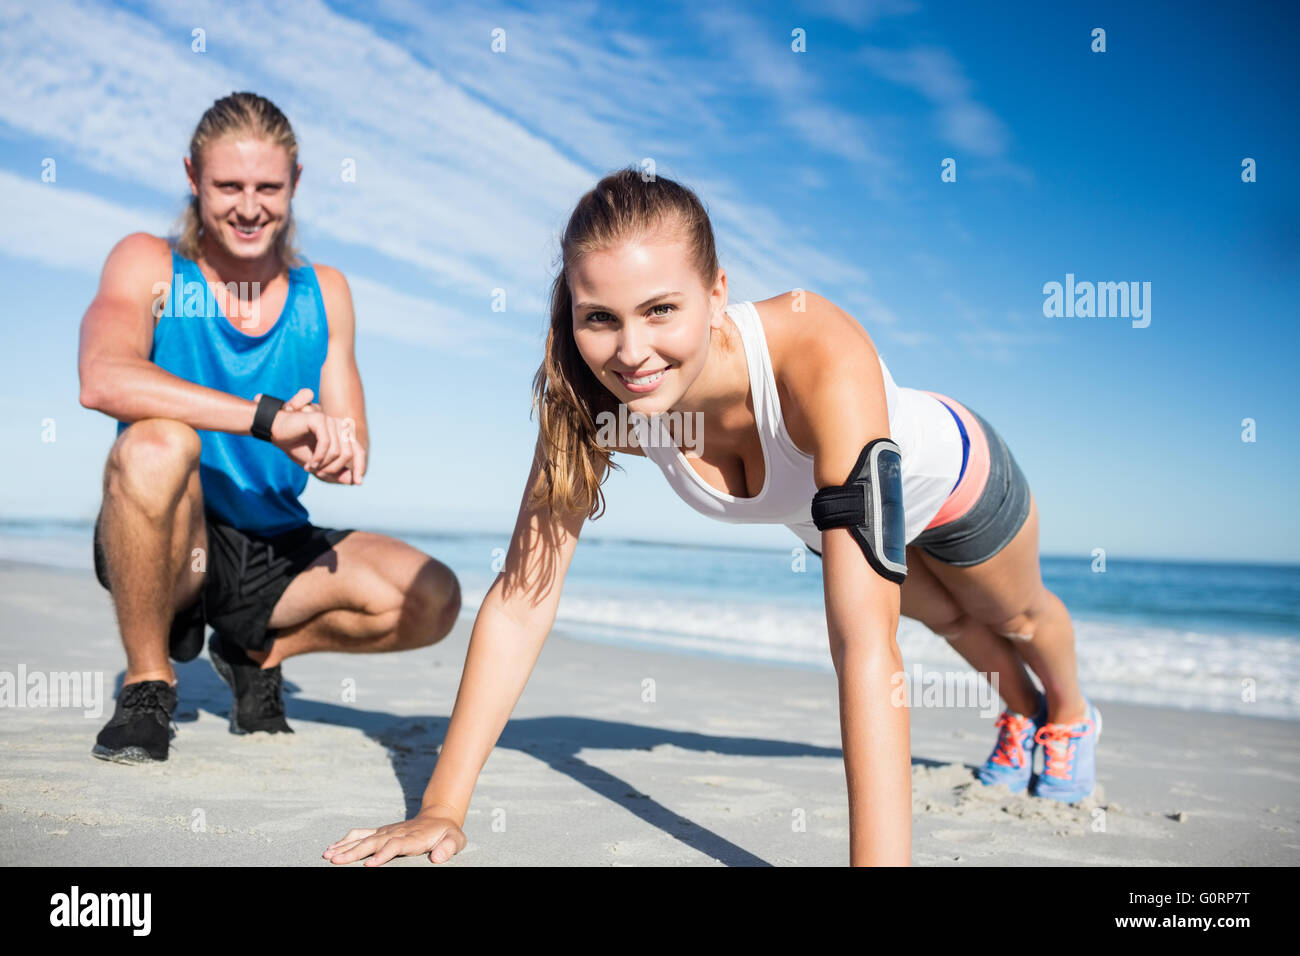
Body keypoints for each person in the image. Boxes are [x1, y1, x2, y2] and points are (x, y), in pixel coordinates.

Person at [323, 168, 1099, 867]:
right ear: (573, 309)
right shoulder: (593, 402)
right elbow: (523, 601)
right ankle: (1019, 712)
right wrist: (442, 807)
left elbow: (864, 645)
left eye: (662, 309)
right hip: (826, 512)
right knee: (952, 624)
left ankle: (1065, 717)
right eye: (600, 319)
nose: (632, 352)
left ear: (717, 290)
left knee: (1012, 614)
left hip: (955, 477)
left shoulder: (817, 352)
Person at [78, 92, 462, 764]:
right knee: (158, 443)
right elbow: (103, 379)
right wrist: (267, 418)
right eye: (228, 185)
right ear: (193, 177)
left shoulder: (326, 291)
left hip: (274, 543)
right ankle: (148, 685)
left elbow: (351, 441)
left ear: (296, 185)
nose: (249, 207)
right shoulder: (148, 263)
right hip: (172, 535)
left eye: (267, 187)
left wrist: (331, 447)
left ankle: (253, 649)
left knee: (433, 597)